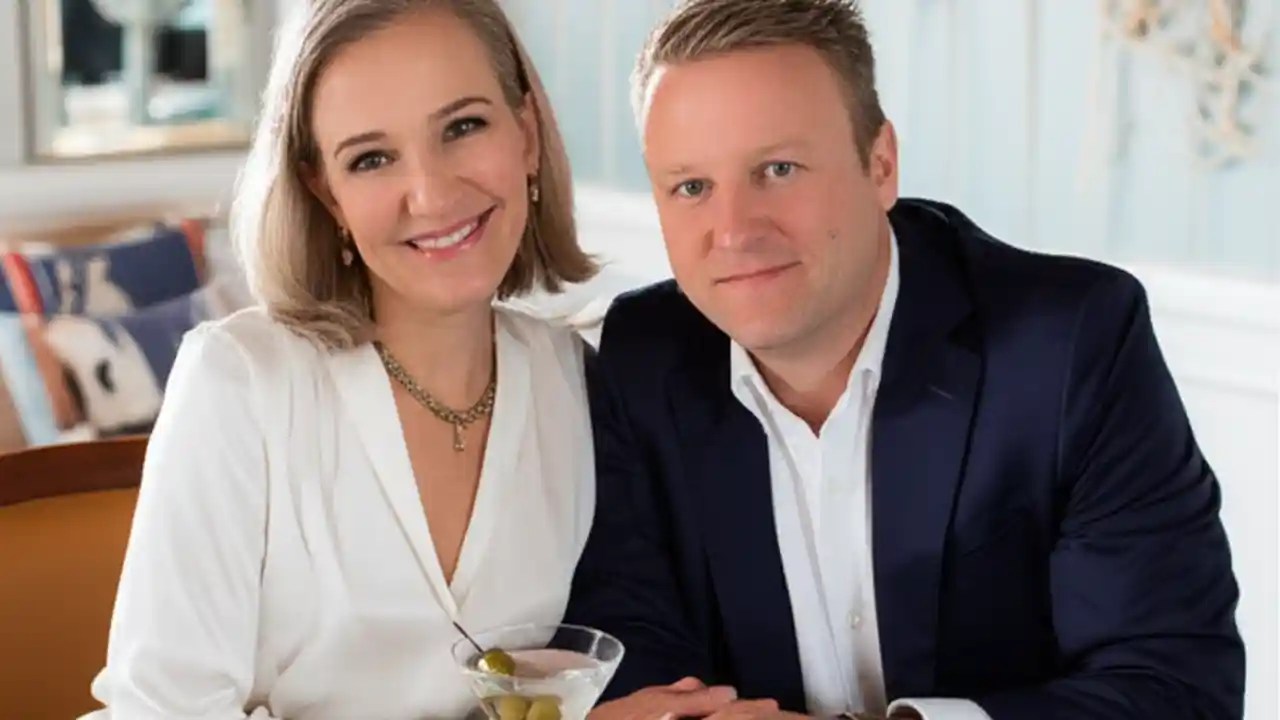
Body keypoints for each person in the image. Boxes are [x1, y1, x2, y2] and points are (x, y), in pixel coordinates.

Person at [565, 0, 1245, 718]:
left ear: (881, 164)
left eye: (779, 168)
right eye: (692, 187)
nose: (732, 231)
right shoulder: (648, 353)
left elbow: (1175, 687)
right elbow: (632, 641)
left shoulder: (1071, 341)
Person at [84, 1, 602, 717]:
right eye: (372, 158)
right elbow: (160, 708)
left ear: (528, 134)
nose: (431, 193)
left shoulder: (578, 381)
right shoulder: (240, 381)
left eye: (463, 126)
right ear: (326, 192)